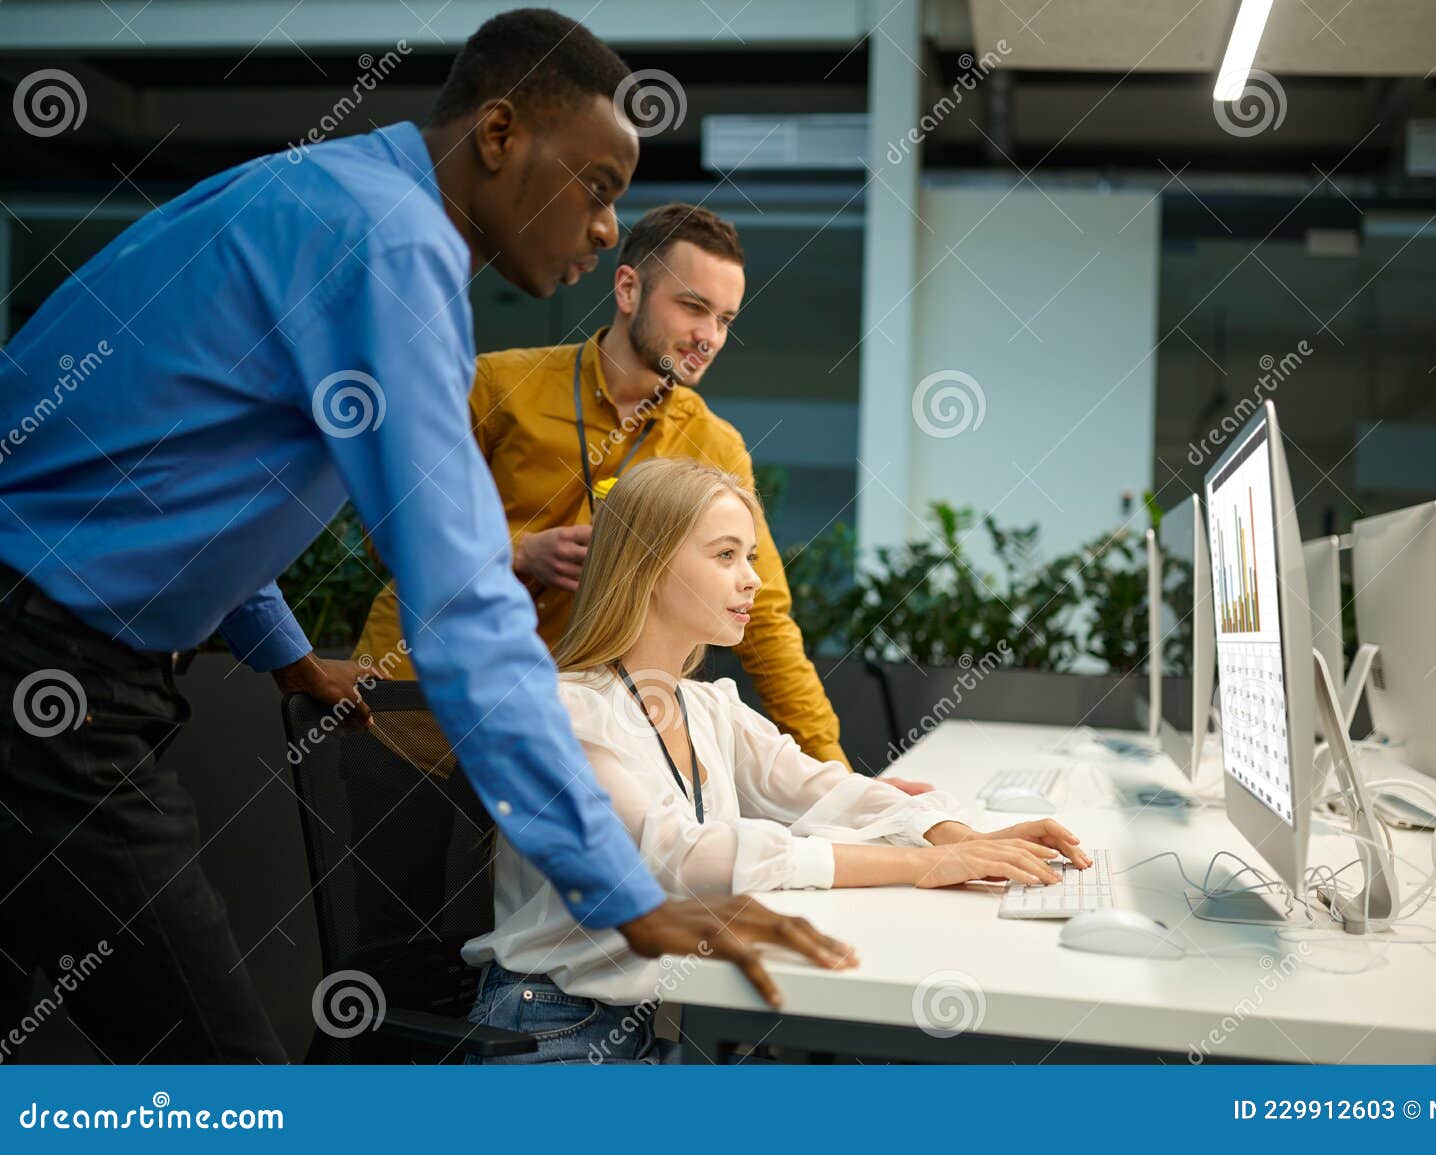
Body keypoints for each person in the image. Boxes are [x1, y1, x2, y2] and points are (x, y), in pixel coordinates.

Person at [0, 8, 849, 1064]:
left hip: (53, 648)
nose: (601, 229)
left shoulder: (334, 193)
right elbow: (458, 594)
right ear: (498, 135)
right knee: (228, 1082)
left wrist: (286, 653)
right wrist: (624, 892)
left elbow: (192, 463)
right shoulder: (395, 250)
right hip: (49, 678)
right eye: (595, 187)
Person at [461, 458, 1093, 1063]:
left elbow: (828, 791)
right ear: (647, 565)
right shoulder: (565, 711)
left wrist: (962, 838)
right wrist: (919, 864)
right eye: (726, 555)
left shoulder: (711, 708)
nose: (752, 579)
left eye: (751, 557)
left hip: (671, 1020)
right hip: (550, 1028)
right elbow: (679, 860)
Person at [353, 202, 927, 791]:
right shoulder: (498, 387)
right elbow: (385, 527)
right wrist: (516, 553)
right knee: (405, 884)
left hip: (570, 738)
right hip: (420, 710)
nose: (710, 337)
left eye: (726, 319)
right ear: (628, 288)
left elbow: (767, 624)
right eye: (693, 307)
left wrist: (842, 783)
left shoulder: (714, 446)